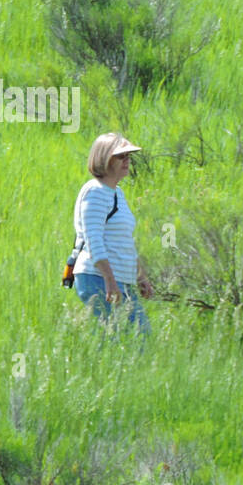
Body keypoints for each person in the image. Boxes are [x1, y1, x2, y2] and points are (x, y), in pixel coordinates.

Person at [71, 133, 153, 334]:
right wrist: (109, 281)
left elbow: (125, 241)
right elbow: (94, 240)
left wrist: (141, 277)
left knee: (139, 336)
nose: (127, 161)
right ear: (104, 159)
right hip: (97, 278)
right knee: (118, 339)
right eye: (121, 156)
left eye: (128, 156)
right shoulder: (95, 191)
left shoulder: (117, 193)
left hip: (118, 280)